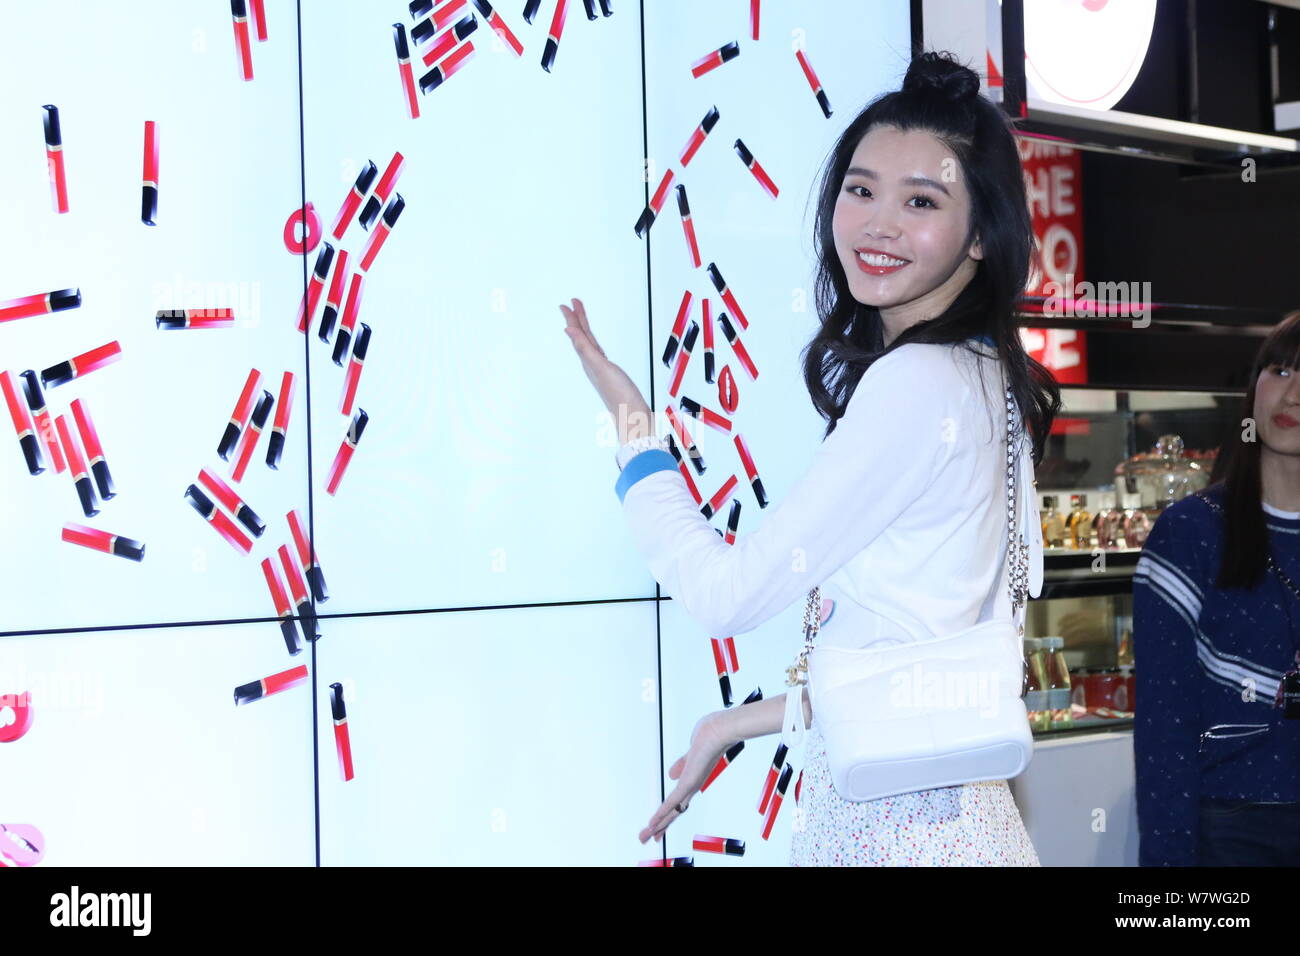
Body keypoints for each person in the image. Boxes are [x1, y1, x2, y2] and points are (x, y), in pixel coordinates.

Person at [561, 50, 1060, 865]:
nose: (878, 223)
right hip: (958, 827)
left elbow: (725, 595)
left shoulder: (916, 384)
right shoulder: (985, 377)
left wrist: (632, 425)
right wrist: (733, 722)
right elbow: (912, 666)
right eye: (861, 190)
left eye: (922, 200)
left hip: (897, 837)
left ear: (981, 235)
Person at [1133, 309, 1300, 866]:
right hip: (1229, 826)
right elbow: (1163, 725)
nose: (1291, 392)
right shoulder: (1192, 531)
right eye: (1278, 370)